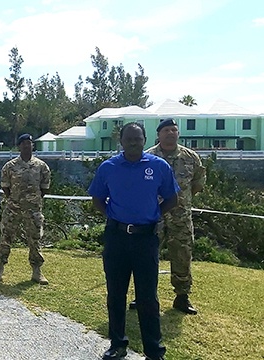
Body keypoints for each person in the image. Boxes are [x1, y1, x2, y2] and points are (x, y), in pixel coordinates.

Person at [88, 122, 179, 360]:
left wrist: (154, 214)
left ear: (144, 140)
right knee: (116, 294)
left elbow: (172, 198)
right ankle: (118, 344)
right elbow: (98, 199)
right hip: (117, 238)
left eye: (138, 139)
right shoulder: (109, 167)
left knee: (148, 297)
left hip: (146, 239)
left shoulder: (159, 166)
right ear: (121, 141)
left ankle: (154, 350)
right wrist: (113, 216)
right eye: (129, 139)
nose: (133, 143)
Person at [129, 119, 206, 315]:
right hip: (153, 218)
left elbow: (197, 184)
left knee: (182, 256)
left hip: (181, 218)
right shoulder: (147, 157)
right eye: (166, 130)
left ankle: (182, 297)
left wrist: (182, 201)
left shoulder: (191, 158)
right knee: (146, 257)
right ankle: (143, 296)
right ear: (159, 134)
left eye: (174, 130)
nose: (171, 133)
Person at [0, 134, 51, 285]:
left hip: (33, 210)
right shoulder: (10, 166)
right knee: (6, 237)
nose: (26, 146)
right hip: (13, 208)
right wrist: (16, 200)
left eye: (29, 143)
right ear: (19, 147)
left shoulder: (41, 166)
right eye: (23, 143)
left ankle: (37, 270)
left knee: (35, 240)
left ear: (32, 146)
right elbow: (5, 186)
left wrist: (32, 201)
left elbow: (44, 187)